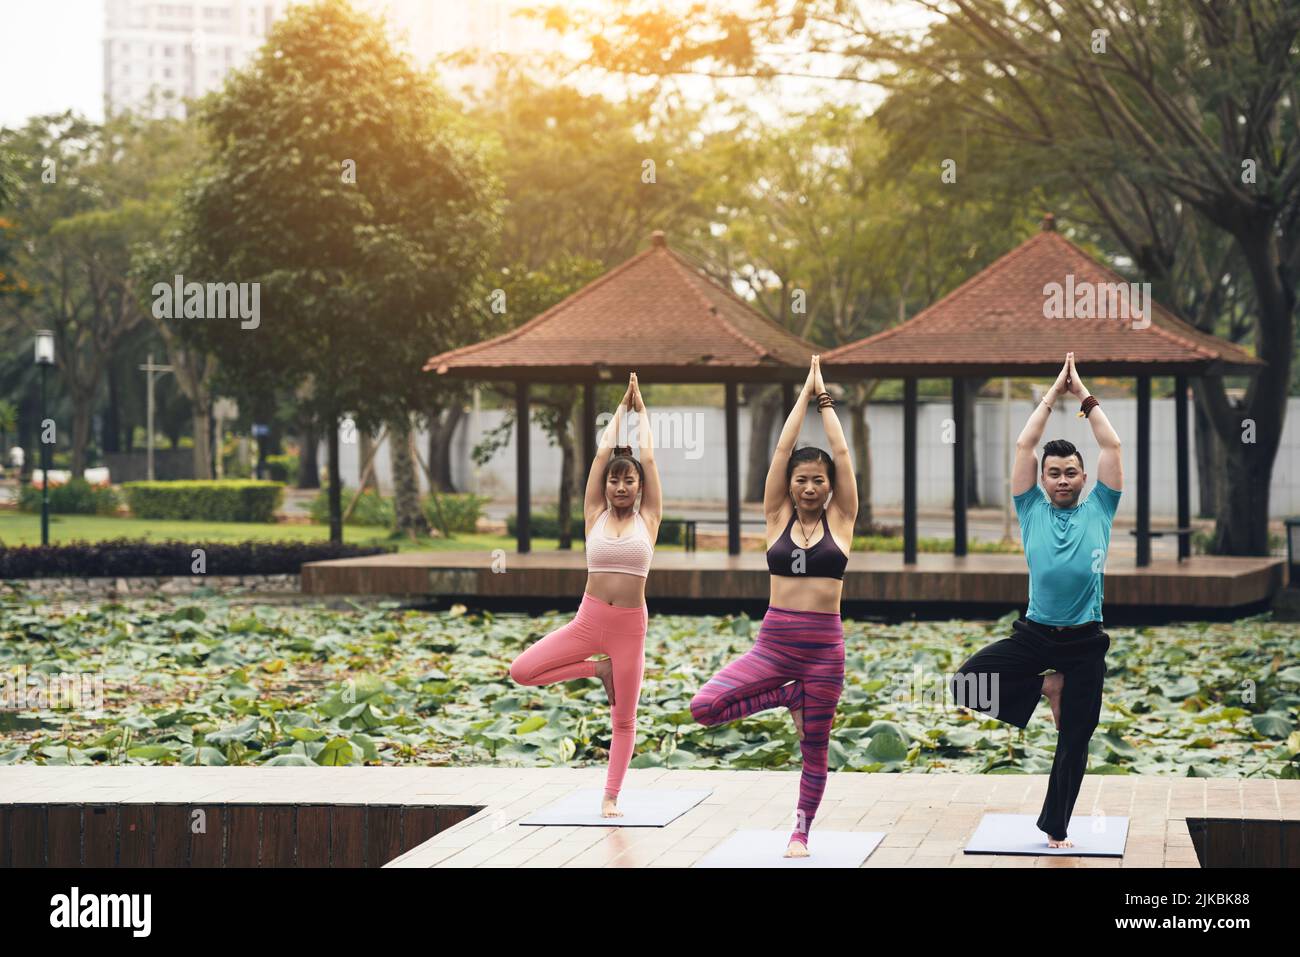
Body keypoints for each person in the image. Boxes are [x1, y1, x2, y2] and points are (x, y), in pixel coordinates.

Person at [949, 352, 1123, 847]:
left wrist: (1082, 394)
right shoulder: (1030, 509)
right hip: (1035, 635)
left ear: (1084, 478)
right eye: (1054, 473)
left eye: (1071, 472)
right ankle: (1048, 687)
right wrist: (1051, 394)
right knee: (966, 684)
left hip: (1085, 643)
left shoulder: (1101, 507)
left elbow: (1111, 444)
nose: (1063, 479)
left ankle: (1056, 827)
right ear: (1042, 480)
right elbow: (1025, 444)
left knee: (1076, 738)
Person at [690, 355, 856, 857]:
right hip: (774, 647)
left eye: (818, 480)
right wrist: (801, 396)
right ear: (790, 484)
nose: (810, 487)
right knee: (705, 708)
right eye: (801, 479)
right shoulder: (776, 516)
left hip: (824, 653)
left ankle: (800, 833)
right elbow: (782, 449)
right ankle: (788, 698)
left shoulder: (842, 519)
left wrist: (824, 401)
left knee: (814, 749)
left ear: (829, 487)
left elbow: (841, 452)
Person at [508, 372, 661, 818]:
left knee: (624, 719)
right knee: (522, 671)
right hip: (588, 621)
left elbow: (649, 458)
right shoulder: (594, 514)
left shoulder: (649, 518)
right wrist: (620, 411)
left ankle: (610, 796)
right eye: (614, 480)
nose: (620, 486)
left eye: (628, 480)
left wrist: (641, 414)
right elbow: (599, 456)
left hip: (629, 629)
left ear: (639, 487)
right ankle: (598, 669)